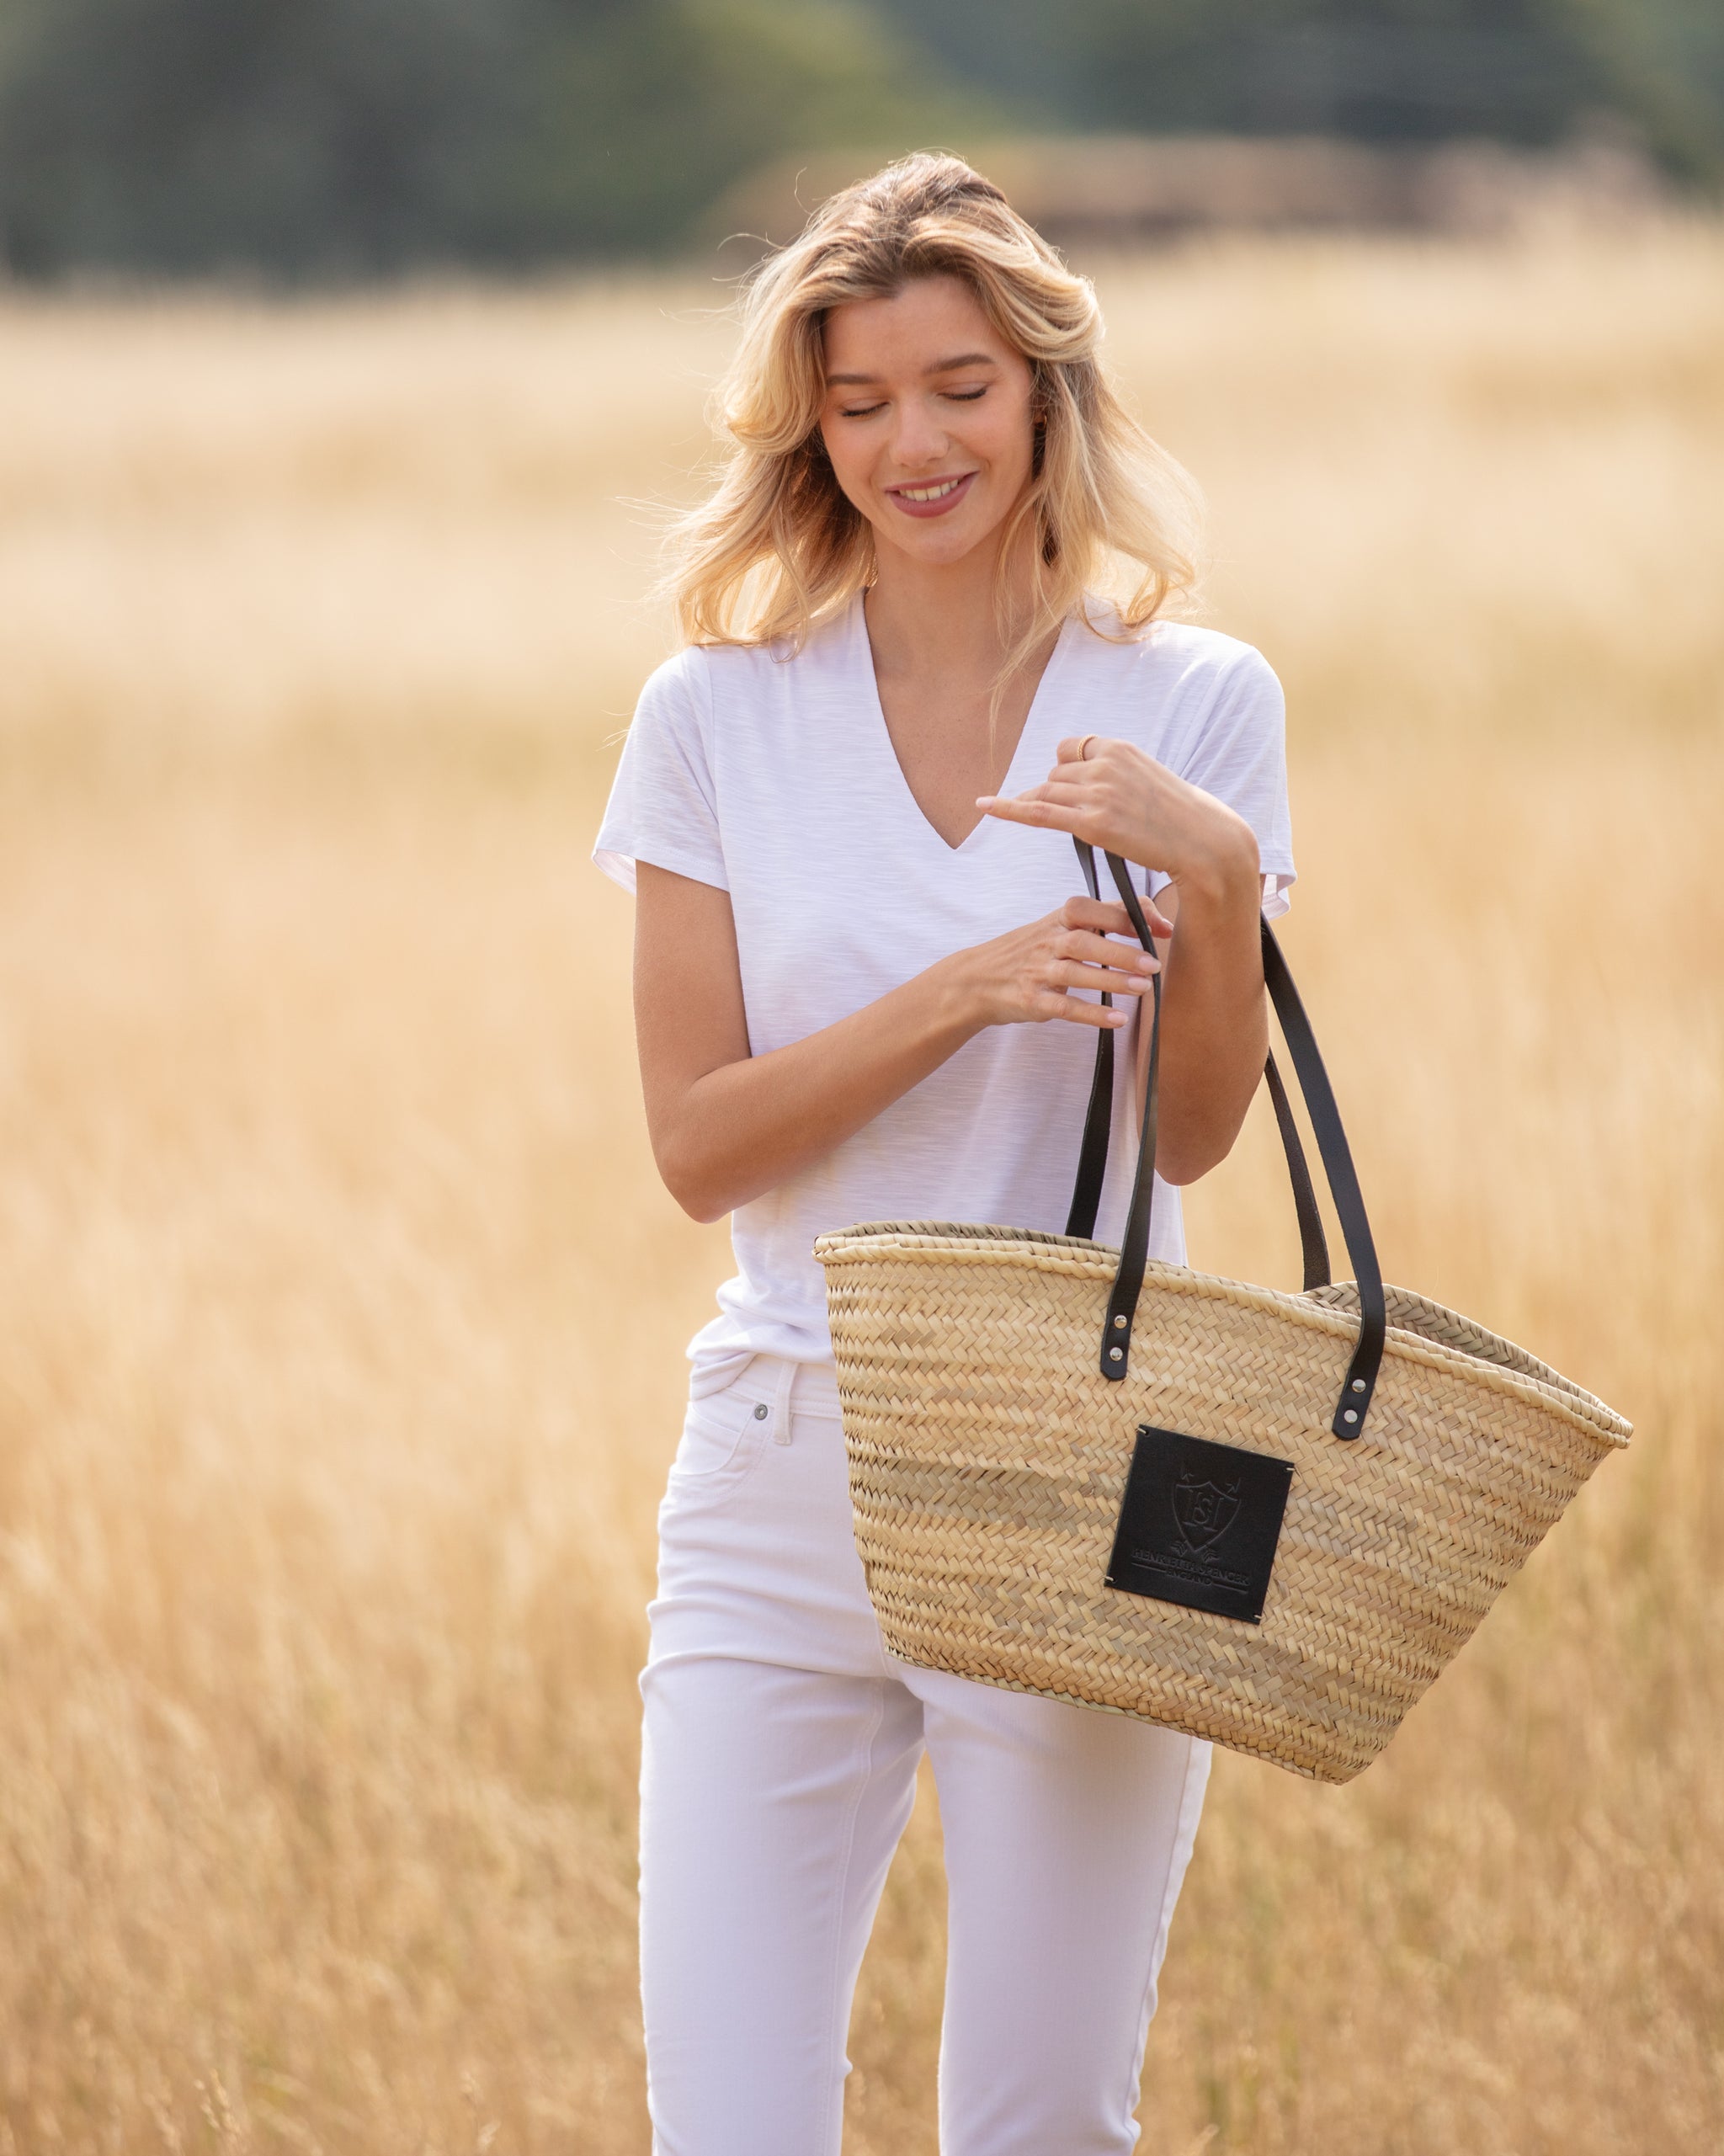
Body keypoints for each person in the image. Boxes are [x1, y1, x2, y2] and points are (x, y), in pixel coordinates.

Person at [593, 152, 1295, 2156]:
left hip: (1094, 1467)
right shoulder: (714, 719)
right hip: (779, 1465)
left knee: (1041, 2125)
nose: (915, 442)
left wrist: (1218, 880)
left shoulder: (1191, 702)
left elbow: (1188, 1133)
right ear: (809, 432)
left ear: (1044, 391)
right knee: (726, 2130)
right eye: (861, 400)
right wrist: (964, 991)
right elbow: (698, 1149)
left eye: (960, 387)